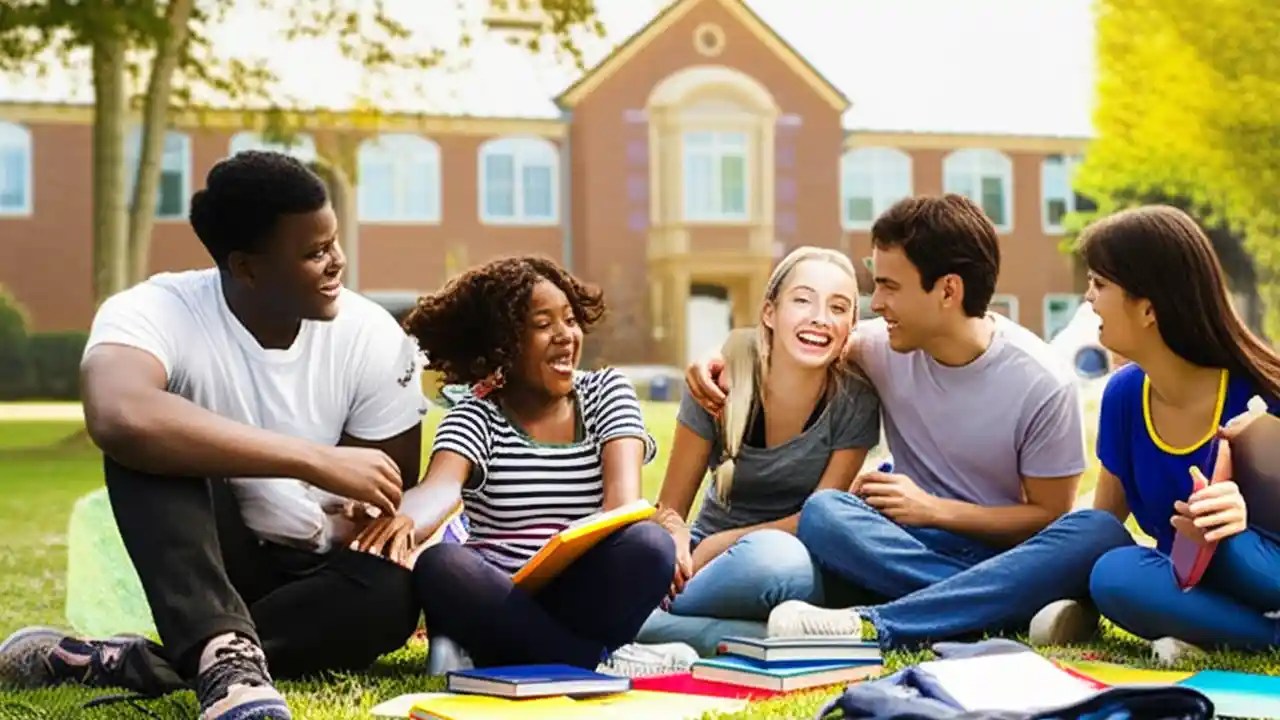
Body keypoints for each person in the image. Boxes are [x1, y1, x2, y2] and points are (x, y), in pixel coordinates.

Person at [0, 152, 427, 720]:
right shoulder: (155, 309)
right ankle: (225, 661)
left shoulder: (372, 335)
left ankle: (161, 659)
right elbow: (117, 414)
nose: (337, 263)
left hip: (315, 582)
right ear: (247, 267)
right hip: (208, 560)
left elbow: (389, 500)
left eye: (334, 242)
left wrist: (363, 517)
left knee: (392, 594)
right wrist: (312, 460)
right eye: (314, 252)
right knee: (143, 448)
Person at [685, 194, 1132, 650]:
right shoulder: (878, 347)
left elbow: (1047, 516)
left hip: (1001, 552)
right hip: (900, 545)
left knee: (1098, 532)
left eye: (889, 286)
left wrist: (935, 509)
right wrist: (723, 357)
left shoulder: (1041, 380)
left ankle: (880, 622)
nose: (875, 303)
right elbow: (792, 342)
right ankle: (1014, 607)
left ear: (947, 291)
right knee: (824, 513)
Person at [379, 255, 679, 674]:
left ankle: (519, 652)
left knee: (649, 545)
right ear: (504, 344)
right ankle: (594, 661)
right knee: (441, 565)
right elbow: (440, 487)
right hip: (502, 594)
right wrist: (406, 520)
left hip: (582, 593)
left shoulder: (607, 393)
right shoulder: (476, 415)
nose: (565, 336)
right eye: (543, 325)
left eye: (570, 320)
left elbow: (622, 508)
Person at [635, 247, 881, 656]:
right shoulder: (719, 385)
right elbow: (670, 509)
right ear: (770, 312)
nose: (820, 317)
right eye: (802, 300)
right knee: (635, 558)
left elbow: (820, 517)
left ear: (851, 326)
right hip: (708, 569)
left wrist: (721, 543)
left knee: (779, 563)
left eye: (838, 308)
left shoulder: (855, 399)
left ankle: (647, 622)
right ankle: (757, 637)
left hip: (795, 562)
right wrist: (676, 538)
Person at [1067, 205, 1280, 663]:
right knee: (1114, 573)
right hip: (1189, 578)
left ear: (1148, 308)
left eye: (1100, 284)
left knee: (1228, 544)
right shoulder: (1124, 396)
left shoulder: (1263, 391)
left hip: (1261, 565)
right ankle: (1262, 636)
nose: (1088, 298)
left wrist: (1242, 514)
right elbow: (1103, 524)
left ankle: (1210, 626)